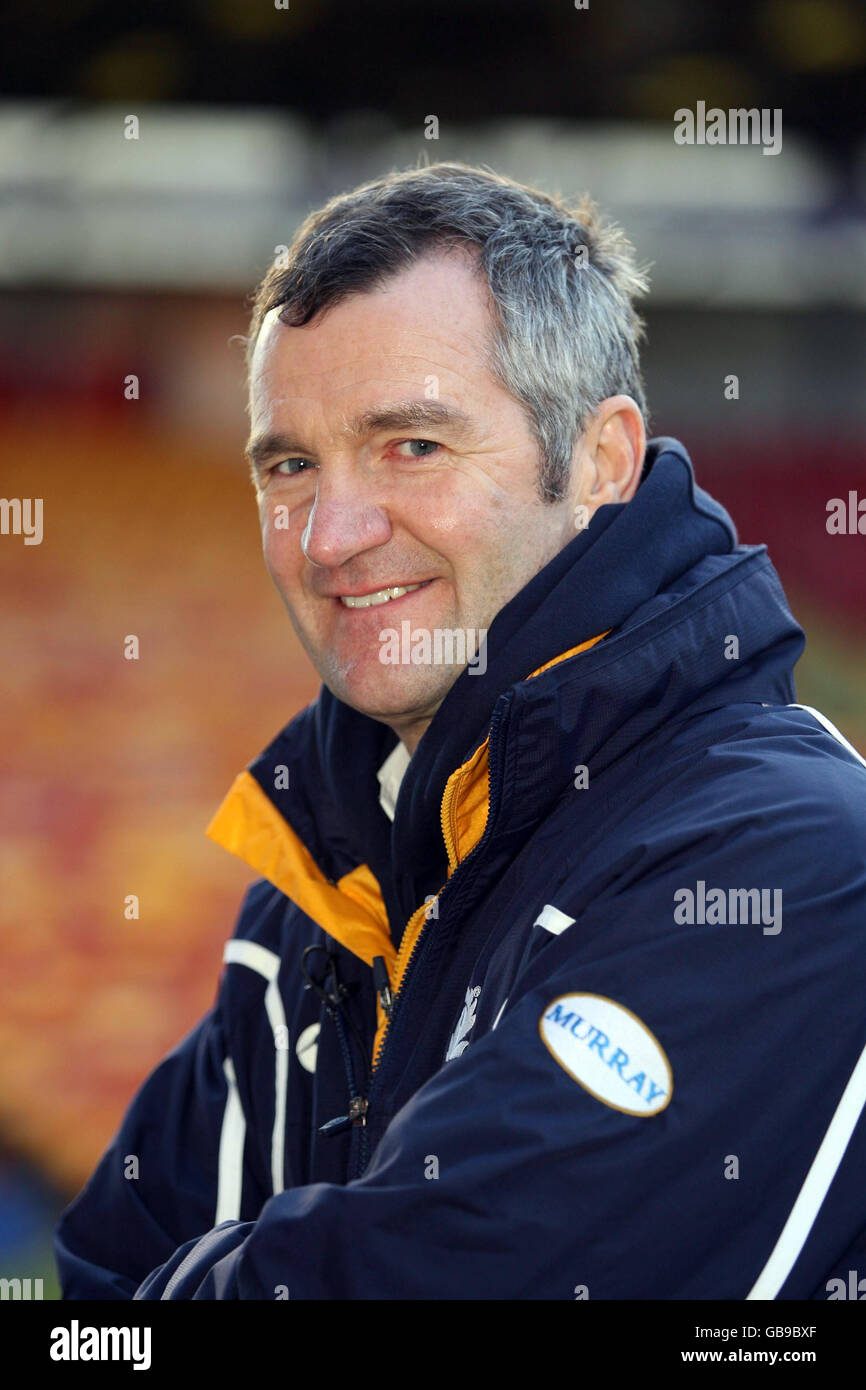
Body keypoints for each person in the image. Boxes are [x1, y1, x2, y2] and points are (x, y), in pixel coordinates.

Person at [55, 163, 866, 1300]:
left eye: (412, 446)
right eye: (289, 465)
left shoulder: (795, 860)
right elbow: (95, 1282)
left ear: (599, 462)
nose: (330, 536)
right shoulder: (314, 891)